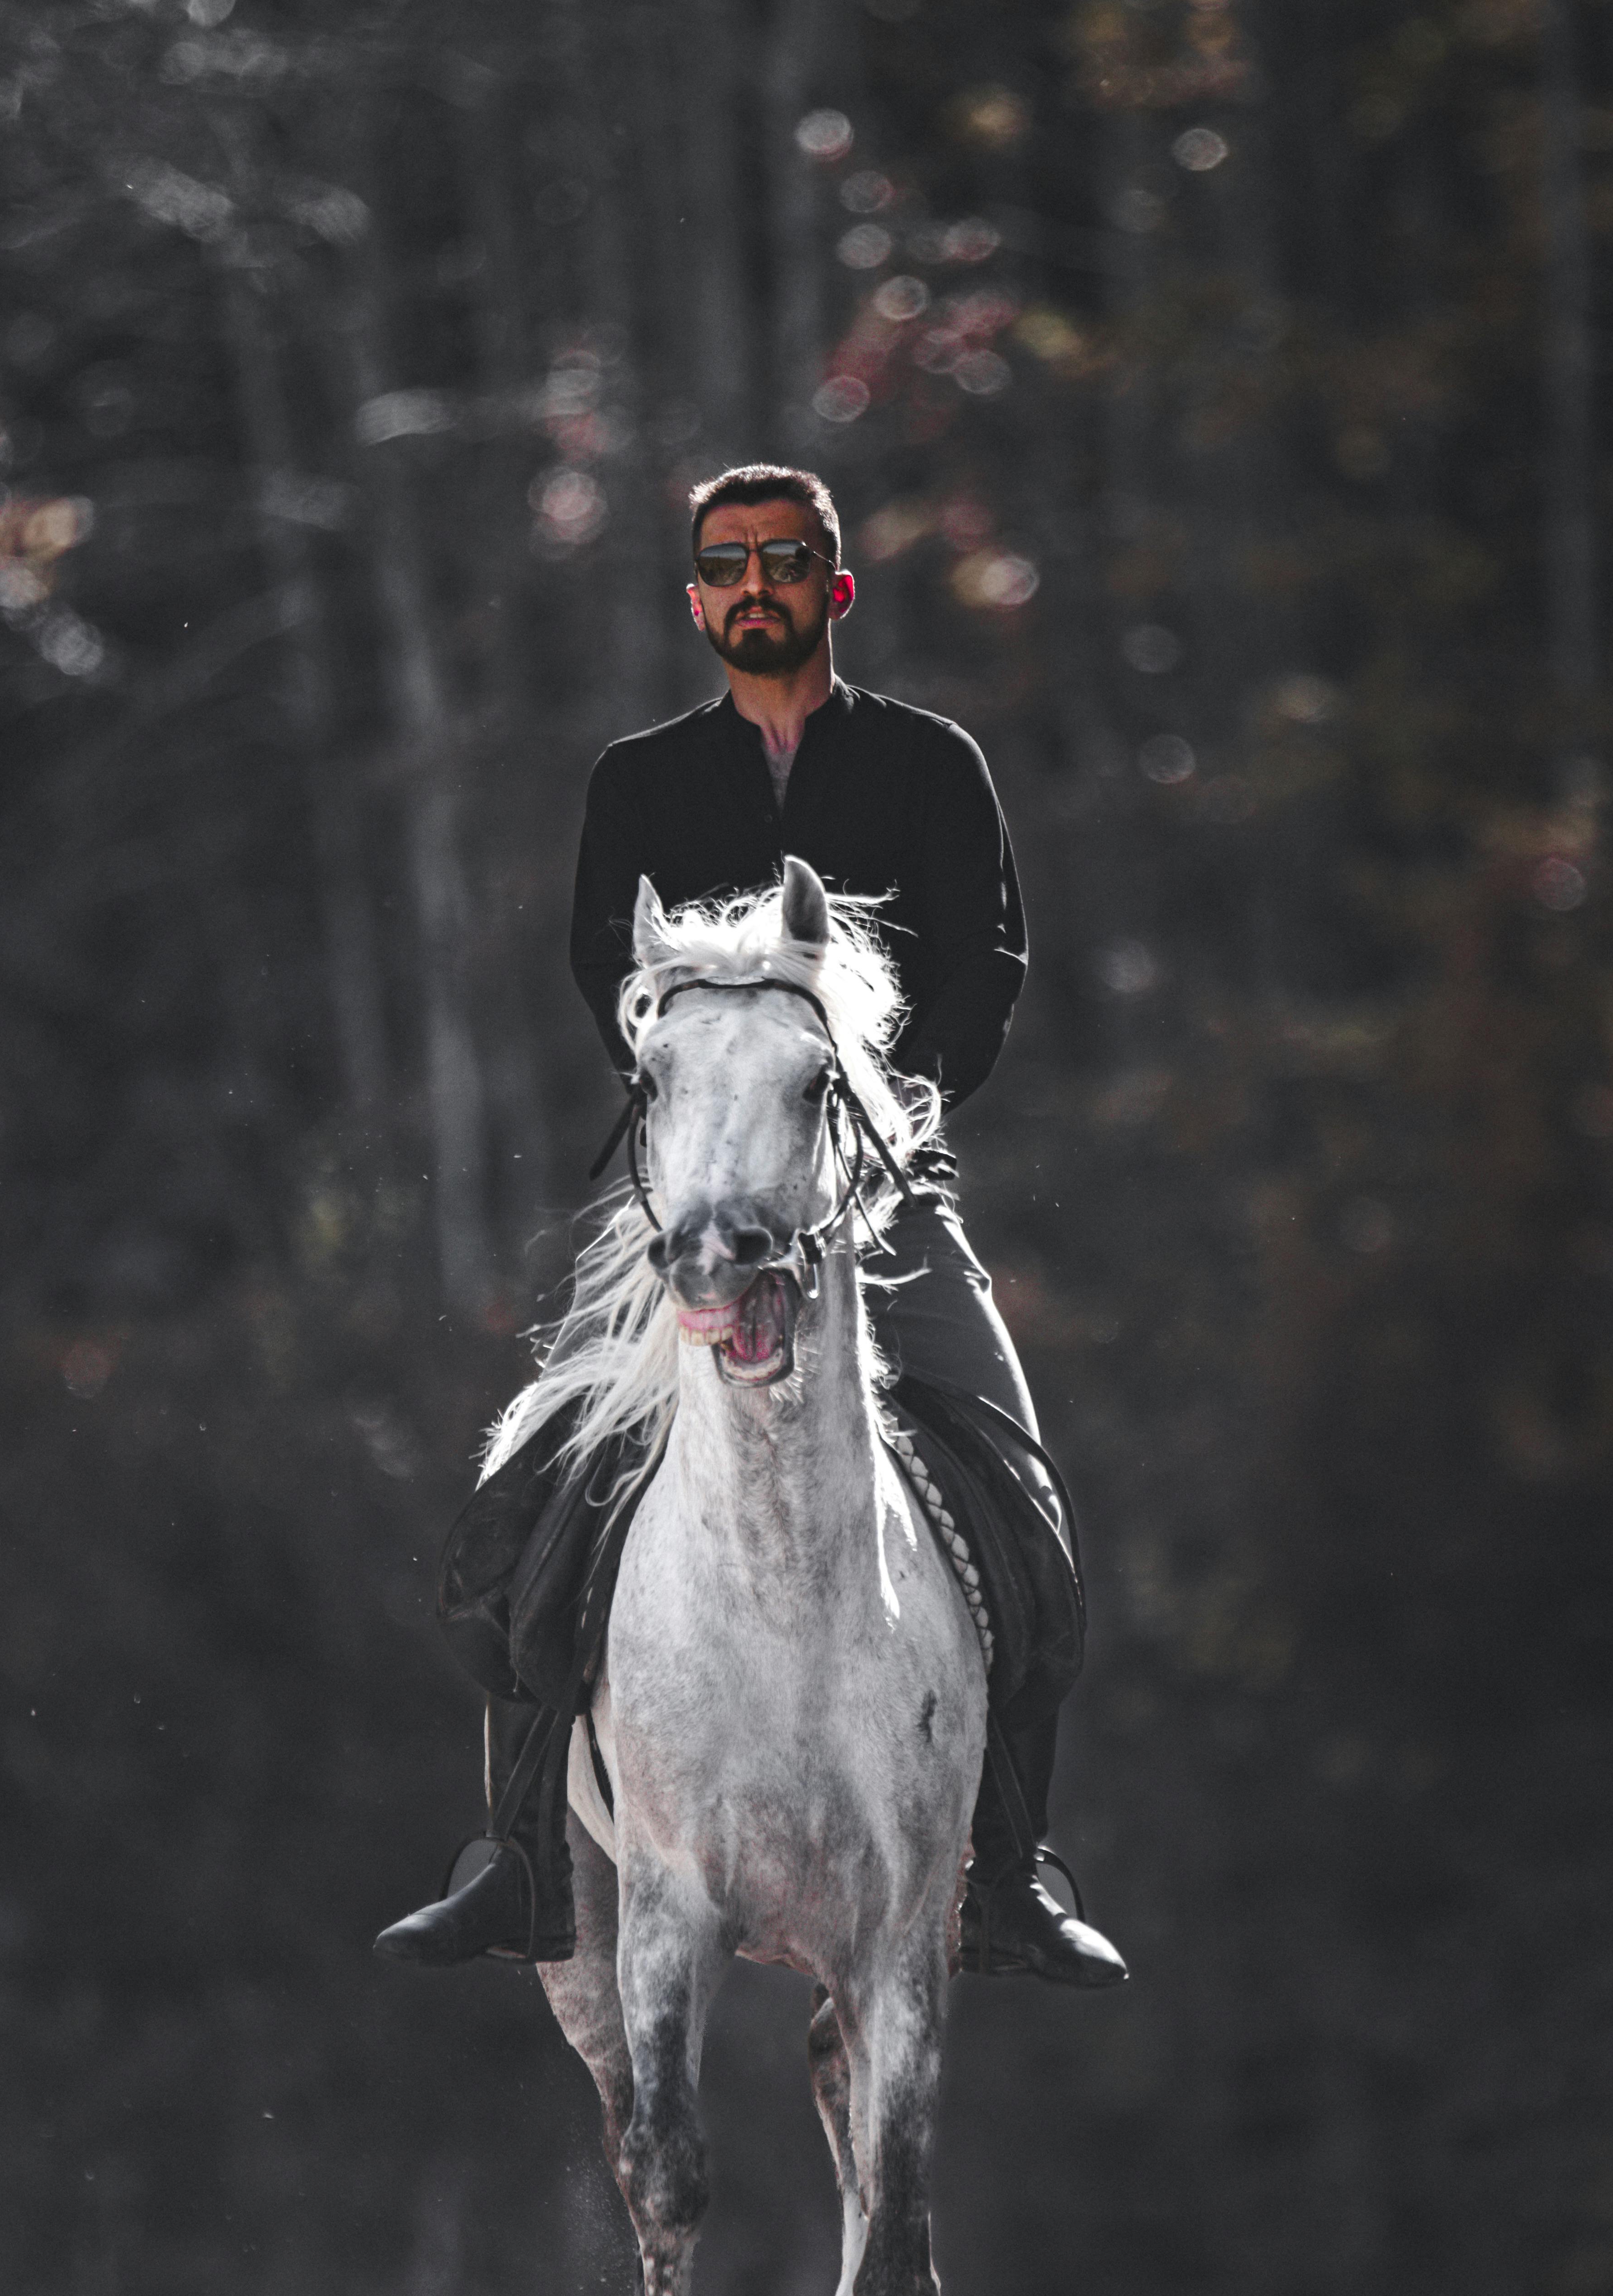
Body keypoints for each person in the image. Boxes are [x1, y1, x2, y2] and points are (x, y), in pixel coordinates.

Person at [375, 464, 1126, 1991]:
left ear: (835, 586)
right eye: (727, 565)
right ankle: (522, 1861)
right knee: (527, 1504)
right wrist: (715, 1134)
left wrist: (887, 1115)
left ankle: (1010, 1878)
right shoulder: (638, 783)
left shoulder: (932, 763)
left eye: (786, 560)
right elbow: (615, 985)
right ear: (697, 596)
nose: (755, 585)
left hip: (885, 1199)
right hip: (696, 1200)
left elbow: (986, 967)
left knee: (1030, 1527)